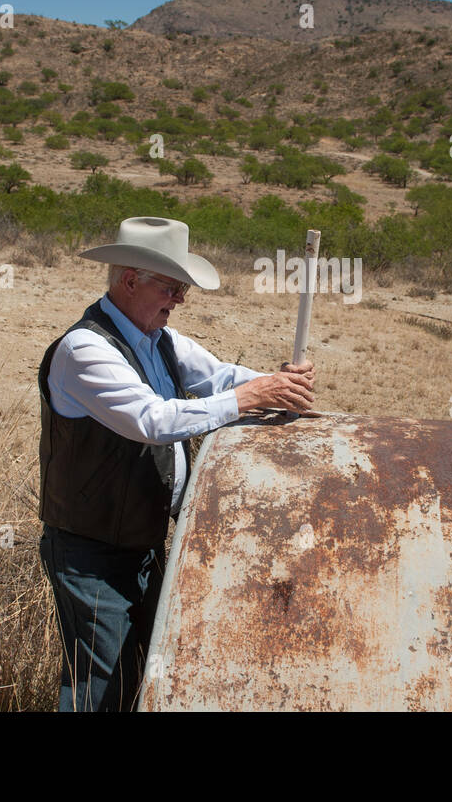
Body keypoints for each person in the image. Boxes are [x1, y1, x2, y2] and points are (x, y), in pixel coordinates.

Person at [37, 216, 315, 711]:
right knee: (101, 686)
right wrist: (254, 395)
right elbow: (152, 421)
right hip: (91, 553)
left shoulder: (160, 340)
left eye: (182, 289)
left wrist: (279, 384)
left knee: (143, 669)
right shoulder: (84, 349)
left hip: (141, 544)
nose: (180, 300)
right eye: (171, 288)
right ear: (129, 281)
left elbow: (221, 376)